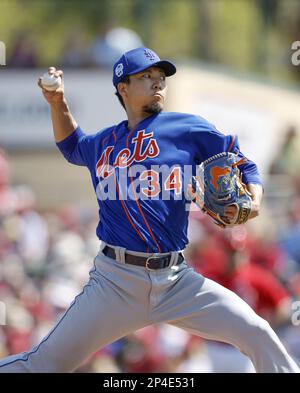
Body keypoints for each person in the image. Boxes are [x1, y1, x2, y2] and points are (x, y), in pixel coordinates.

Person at [0, 47, 298, 373]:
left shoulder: (186, 128)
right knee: (44, 364)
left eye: (161, 78)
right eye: (147, 77)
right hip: (115, 283)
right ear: (123, 88)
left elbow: (245, 163)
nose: (158, 84)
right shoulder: (104, 144)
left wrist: (253, 199)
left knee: (257, 333)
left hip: (176, 281)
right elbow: (71, 145)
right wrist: (58, 104)